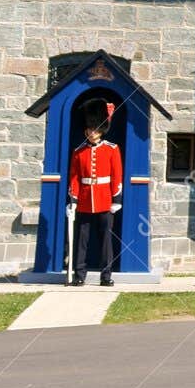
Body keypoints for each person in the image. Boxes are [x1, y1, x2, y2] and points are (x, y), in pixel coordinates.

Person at [69, 106, 123, 285]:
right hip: (84, 201)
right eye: (89, 129)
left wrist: (116, 199)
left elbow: (116, 175)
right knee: (81, 240)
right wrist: (73, 200)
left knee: (106, 241)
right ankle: (79, 275)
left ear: (101, 130)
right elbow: (75, 178)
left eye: (94, 129)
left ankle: (106, 276)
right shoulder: (79, 151)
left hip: (104, 200)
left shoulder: (112, 149)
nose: (91, 132)